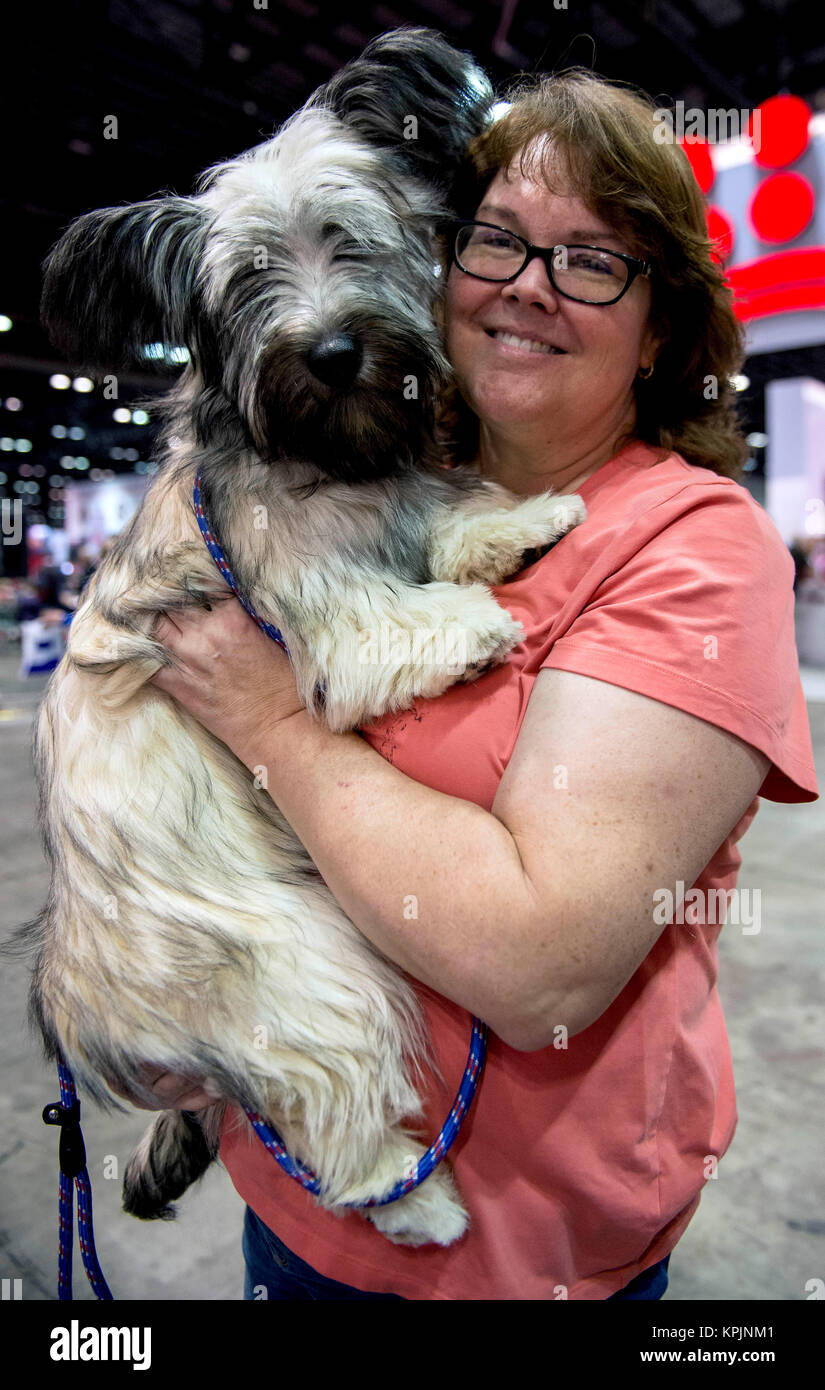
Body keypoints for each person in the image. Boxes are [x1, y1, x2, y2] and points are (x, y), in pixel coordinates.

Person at [140, 68, 818, 1300]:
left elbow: (542, 964)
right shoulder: (371, 480)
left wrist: (264, 714)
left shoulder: (695, 548)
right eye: (494, 239)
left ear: (662, 326)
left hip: (520, 1254)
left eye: (593, 260)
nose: (526, 285)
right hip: (294, 1188)